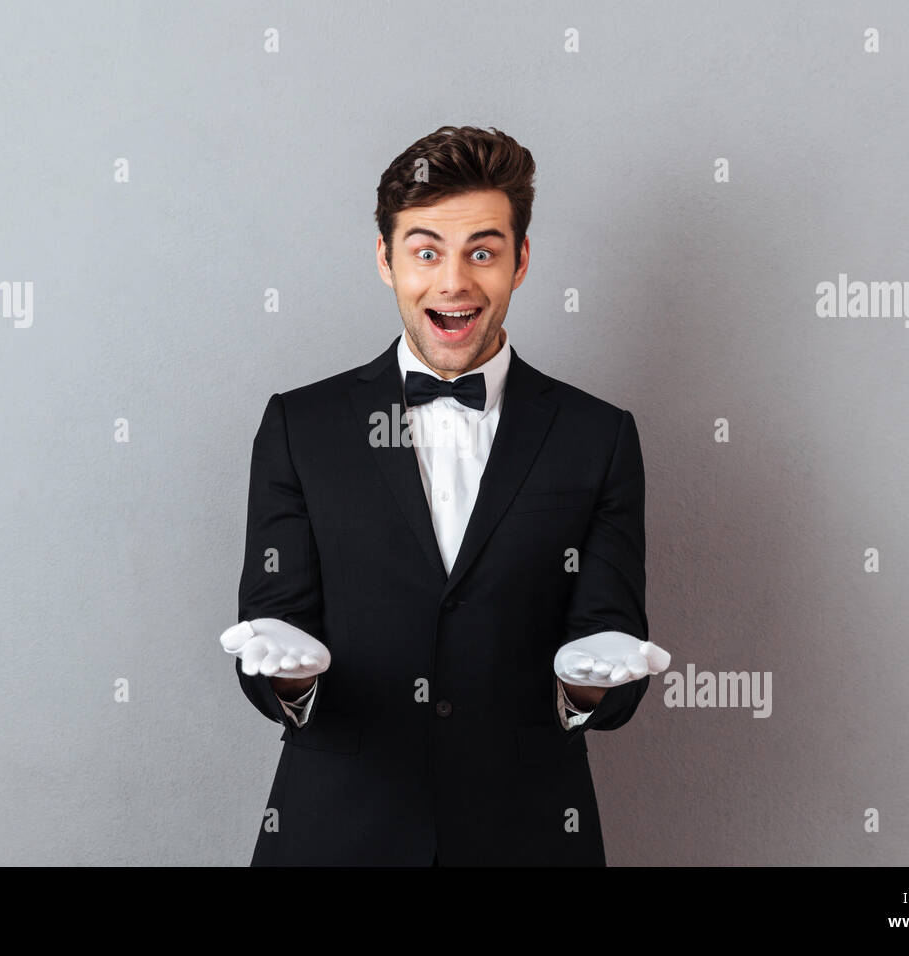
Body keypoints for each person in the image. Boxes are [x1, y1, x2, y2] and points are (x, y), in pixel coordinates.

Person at [219, 125, 669, 866]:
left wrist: (586, 689)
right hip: (335, 836)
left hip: (527, 838)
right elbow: (273, 634)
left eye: (482, 252)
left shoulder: (600, 436)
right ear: (385, 260)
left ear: (520, 262)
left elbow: (610, 651)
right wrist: (291, 677)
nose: (454, 282)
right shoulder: (302, 426)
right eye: (426, 252)